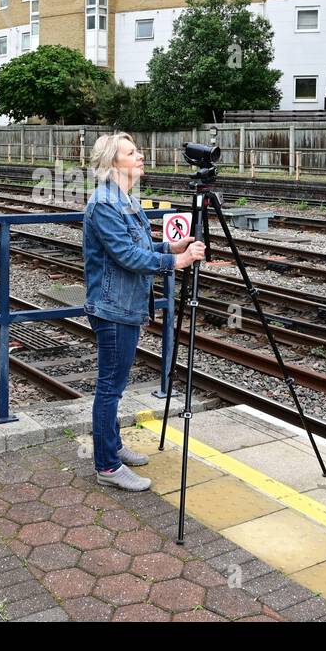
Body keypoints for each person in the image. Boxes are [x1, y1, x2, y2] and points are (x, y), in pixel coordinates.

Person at [81, 133, 204, 491]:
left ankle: (114, 447)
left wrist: (169, 244)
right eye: (131, 152)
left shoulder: (124, 199)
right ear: (112, 163)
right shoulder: (105, 203)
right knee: (110, 388)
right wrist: (176, 261)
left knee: (114, 386)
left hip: (126, 304)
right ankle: (106, 467)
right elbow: (127, 256)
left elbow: (139, 245)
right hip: (113, 307)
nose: (140, 156)